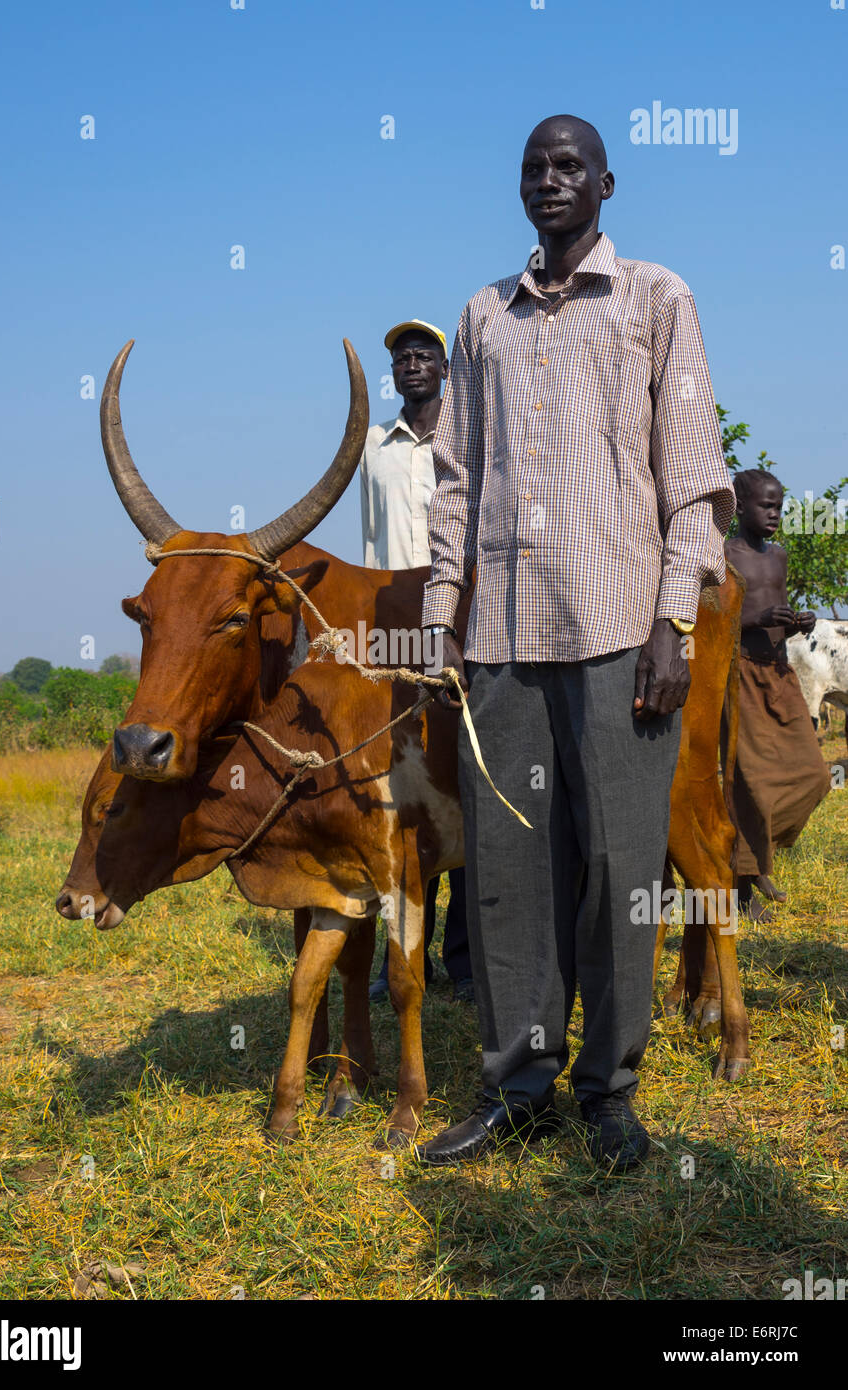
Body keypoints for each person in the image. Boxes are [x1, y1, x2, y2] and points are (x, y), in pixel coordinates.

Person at [418, 114, 735, 1170]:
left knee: (616, 864)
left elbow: (692, 474)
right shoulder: (481, 317)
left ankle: (609, 1091)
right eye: (531, 169)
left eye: (568, 167)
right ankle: (516, 1086)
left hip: (618, 632)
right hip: (503, 636)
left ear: (606, 181)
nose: (548, 182)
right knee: (509, 871)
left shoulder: (654, 298)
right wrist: (440, 615)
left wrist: (672, 620)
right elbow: (457, 478)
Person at [359, 319, 474, 1002]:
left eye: (424, 354)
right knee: (397, 794)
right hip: (393, 630)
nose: (412, 364)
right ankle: (402, 961)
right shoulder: (374, 446)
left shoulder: (469, 437)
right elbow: (369, 540)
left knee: (460, 781)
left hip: (458, 623)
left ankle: (464, 964)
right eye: (402, 356)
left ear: (445, 368)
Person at [723, 471, 830, 920]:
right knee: (751, 785)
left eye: (779, 507)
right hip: (739, 675)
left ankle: (759, 857)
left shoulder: (780, 557)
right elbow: (710, 625)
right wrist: (754, 619)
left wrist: (794, 622)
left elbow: (776, 616)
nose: (774, 515)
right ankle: (744, 885)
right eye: (766, 506)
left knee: (814, 776)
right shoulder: (722, 556)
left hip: (779, 673)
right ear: (740, 506)